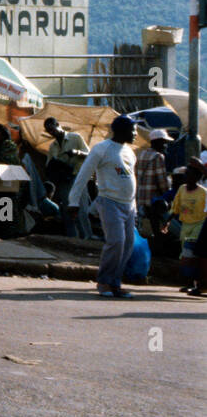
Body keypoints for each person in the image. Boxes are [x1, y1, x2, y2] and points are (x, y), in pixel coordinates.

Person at [69, 115, 139, 298]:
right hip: (109, 202)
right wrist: (73, 201)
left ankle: (115, 283)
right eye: (133, 130)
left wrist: (135, 207)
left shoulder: (130, 152)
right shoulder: (101, 149)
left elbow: (132, 179)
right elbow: (83, 175)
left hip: (129, 205)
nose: (136, 134)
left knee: (128, 244)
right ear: (121, 130)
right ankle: (104, 281)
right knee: (116, 241)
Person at [44, 116, 91, 238]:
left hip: (78, 177)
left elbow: (90, 155)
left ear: (58, 125)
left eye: (52, 129)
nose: (51, 132)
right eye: (48, 131)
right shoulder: (52, 146)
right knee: (68, 211)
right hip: (64, 180)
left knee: (81, 211)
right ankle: (72, 240)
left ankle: (87, 238)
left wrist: (77, 153)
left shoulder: (75, 138)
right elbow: (48, 165)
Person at [168, 159, 206, 295]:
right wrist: (168, 220)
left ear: (197, 177)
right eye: (186, 175)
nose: (186, 178)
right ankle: (189, 283)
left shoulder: (203, 192)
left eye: (189, 175)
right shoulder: (182, 189)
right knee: (186, 255)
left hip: (198, 225)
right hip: (185, 226)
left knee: (191, 254)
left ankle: (196, 283)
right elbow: (175, 207)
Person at [136, 128, 172, 215]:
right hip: (154, 199)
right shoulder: (158, 156)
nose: (166, 145)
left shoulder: (142, 154)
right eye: (164, 142)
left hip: (141, 197)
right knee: (156, 224)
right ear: (157, 142)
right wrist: (168, 196)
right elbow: (162, 181)